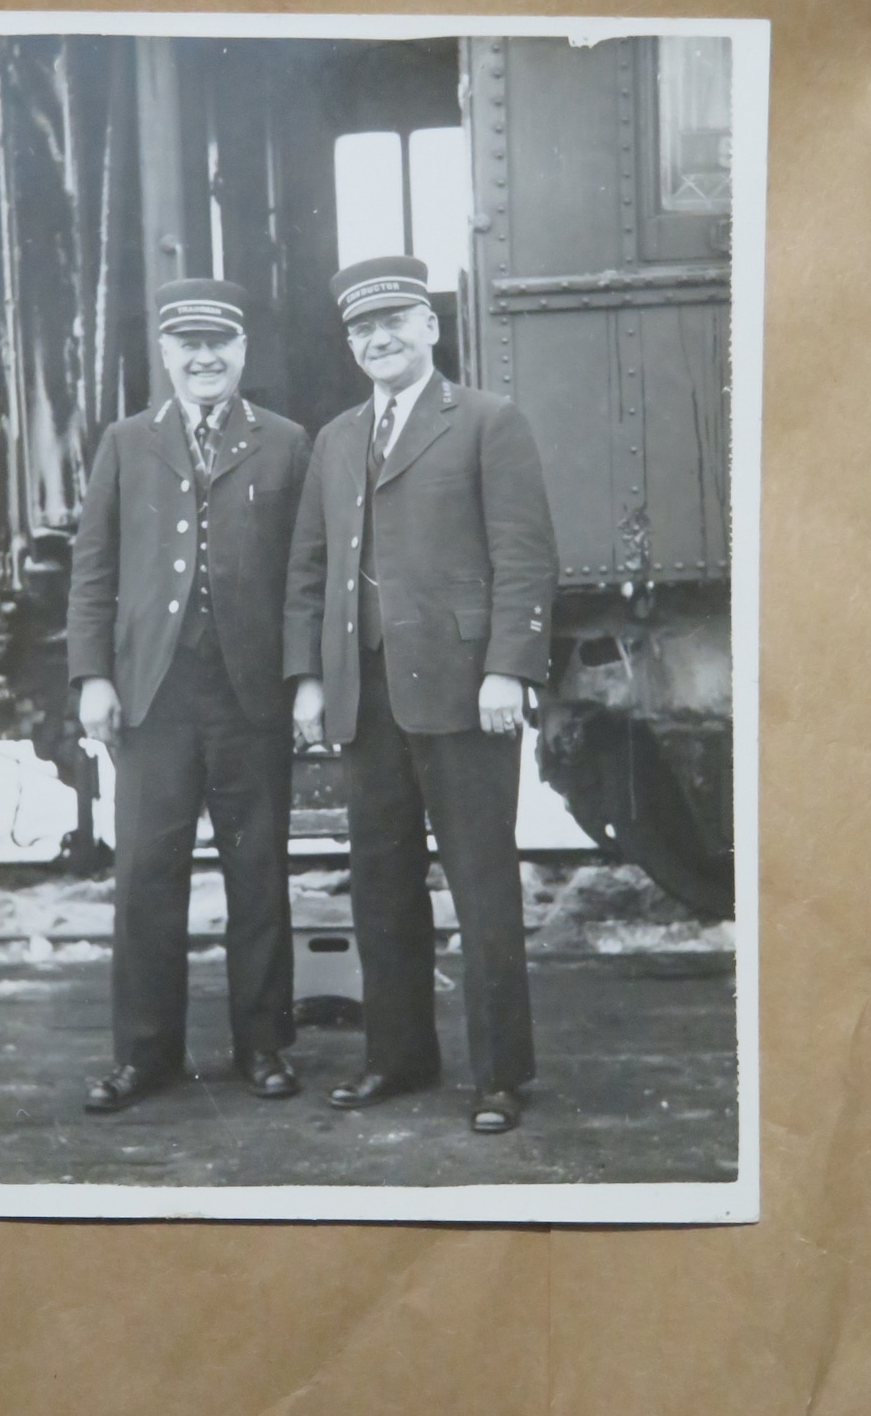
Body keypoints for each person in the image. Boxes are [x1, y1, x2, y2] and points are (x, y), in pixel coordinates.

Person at [284, 255, 558, 1133]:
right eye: (363, 328)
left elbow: (524, 557)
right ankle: (396, 1059)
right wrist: (308, 684)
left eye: (395, 320)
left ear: (430, 326)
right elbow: (310, 574)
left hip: (465, 694)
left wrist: (508, 668)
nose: (379, 337)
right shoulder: (334, 440)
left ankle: (499, 1078)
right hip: (365, 699)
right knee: (380, 887)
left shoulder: (487, 422)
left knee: (483, 889)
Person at [67, 279, 311, 1112]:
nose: (205, 358)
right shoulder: (127, 443)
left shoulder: (285, 442)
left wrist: (303, 680)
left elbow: (304, 577)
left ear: (242, 352)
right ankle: (145, 1057)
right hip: (153, 697)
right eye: (188, 345)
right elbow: (93, 569)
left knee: (260, 872)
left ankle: (265, 1048)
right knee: (144, 877)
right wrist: (94, 676)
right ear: (166, 354)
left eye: (220, 344)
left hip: (252, 697)